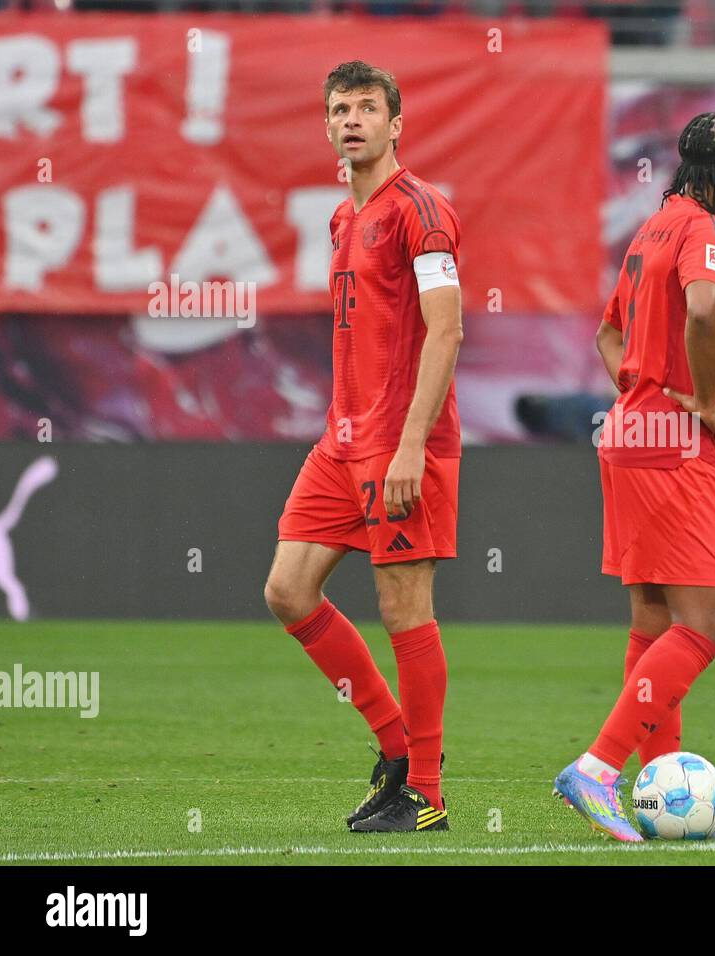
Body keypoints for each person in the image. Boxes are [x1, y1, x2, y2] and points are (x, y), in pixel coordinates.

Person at [264, 61, 464, 832]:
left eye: (367, 108)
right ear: (326, 127)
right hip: (341, 441)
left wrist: (413, 441)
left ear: (395, 124)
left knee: (403, 606)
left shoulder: (423, 210)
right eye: (340, 109)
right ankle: (396, 750)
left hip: (403, 442)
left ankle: (428, 796)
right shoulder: (345, 218)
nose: (352, 120)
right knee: (287, 590)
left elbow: (446, 329)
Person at [552, 112, 715, 841]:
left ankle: (659, 788)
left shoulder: (651, 229)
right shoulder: (707, 230)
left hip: (629, 436)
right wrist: (700, 397)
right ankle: (599, 768)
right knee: (709, 624)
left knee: (653, 623)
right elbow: (704, 308)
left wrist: (635, 391)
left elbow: (608, 332)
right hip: (676, 449)